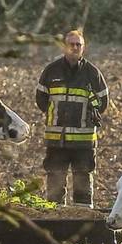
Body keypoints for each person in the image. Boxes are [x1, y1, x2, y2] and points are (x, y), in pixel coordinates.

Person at [36, 29, 108, 208]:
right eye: (71, 44)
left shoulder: (92, 73)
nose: (75, 48)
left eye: (78, 45)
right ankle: (54, 219)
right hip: (56, 140)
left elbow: (103, 102)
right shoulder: (51, 71)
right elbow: (41, 99)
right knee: (55, 183)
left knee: (83, 183)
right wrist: (55, 115)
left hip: (83, 142)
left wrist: (87, 118)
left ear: (83, 48)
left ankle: (83, 218)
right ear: (64, 46)